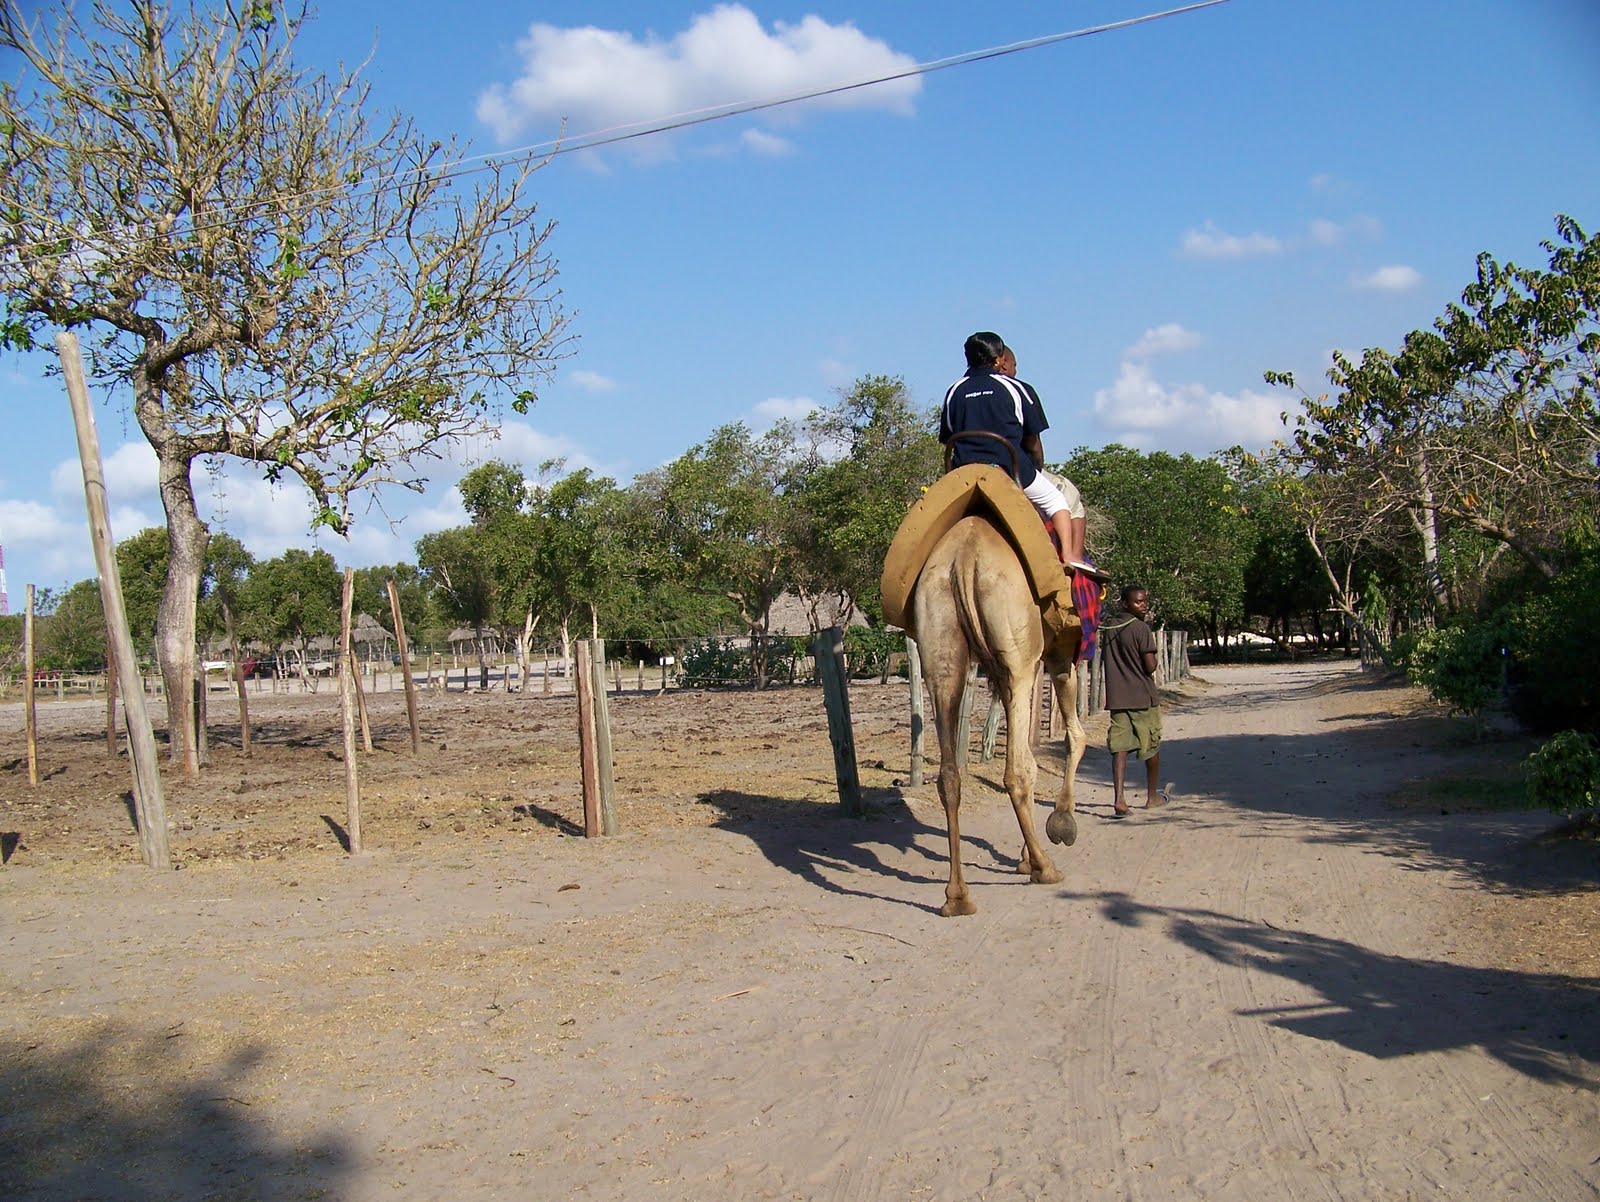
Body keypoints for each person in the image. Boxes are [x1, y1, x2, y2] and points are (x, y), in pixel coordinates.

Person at [940, 331, 1078, 567]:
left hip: (963, 473)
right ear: (998, 359)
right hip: (1009, 469)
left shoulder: (953, 391)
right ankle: (1069, 558)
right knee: (1057, 503)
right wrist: (1036, 465)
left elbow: (948, 437)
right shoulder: (1015, 388)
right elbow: (1033, 440)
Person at [1100, 585, 1171, 817]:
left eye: (1145, 601)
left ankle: (1119, 799)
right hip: (1142, 696)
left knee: (1119, 749)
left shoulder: (1109, 627)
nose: (1144, 605)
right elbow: (1150, 666)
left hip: (1118, 698)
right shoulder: (1140, 628)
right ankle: (1152, 796)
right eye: (1138, 602)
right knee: (1151, 746)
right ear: (1125, 604)